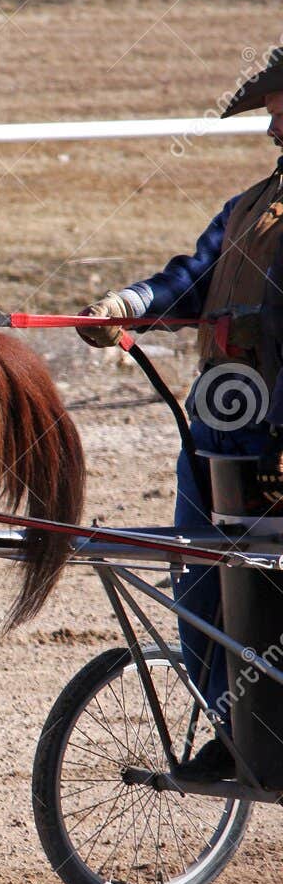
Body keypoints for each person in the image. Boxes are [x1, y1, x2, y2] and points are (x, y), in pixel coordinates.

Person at [75, 48, 283, 780]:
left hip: (275, 448)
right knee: (197, 585)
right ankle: (235, 731)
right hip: (217, 439)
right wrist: (124, 307)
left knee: (266, 599)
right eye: (272, 108)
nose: (273, 124)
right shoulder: (247, 210)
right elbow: (188, 280)